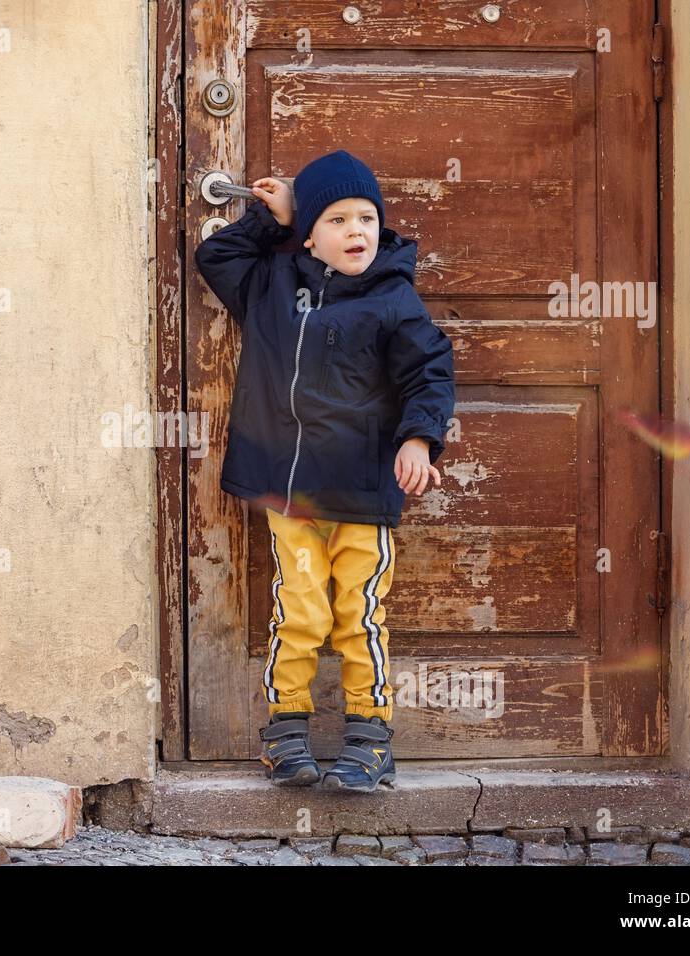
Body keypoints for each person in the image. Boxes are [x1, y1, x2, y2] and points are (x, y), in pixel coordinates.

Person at [193, 149, 456, 791]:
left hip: (364, 492)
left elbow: (430, 371)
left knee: (359, 616)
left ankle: (370, 737)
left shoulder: (395, 297)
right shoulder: (272, 284)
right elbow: (215, 258)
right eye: (336, 219)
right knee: (301, 611)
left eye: (366, 217)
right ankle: (287, 731)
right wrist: (272, 218)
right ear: (310, 232)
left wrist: (420, 439)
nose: (356, 231)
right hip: (293, 494)